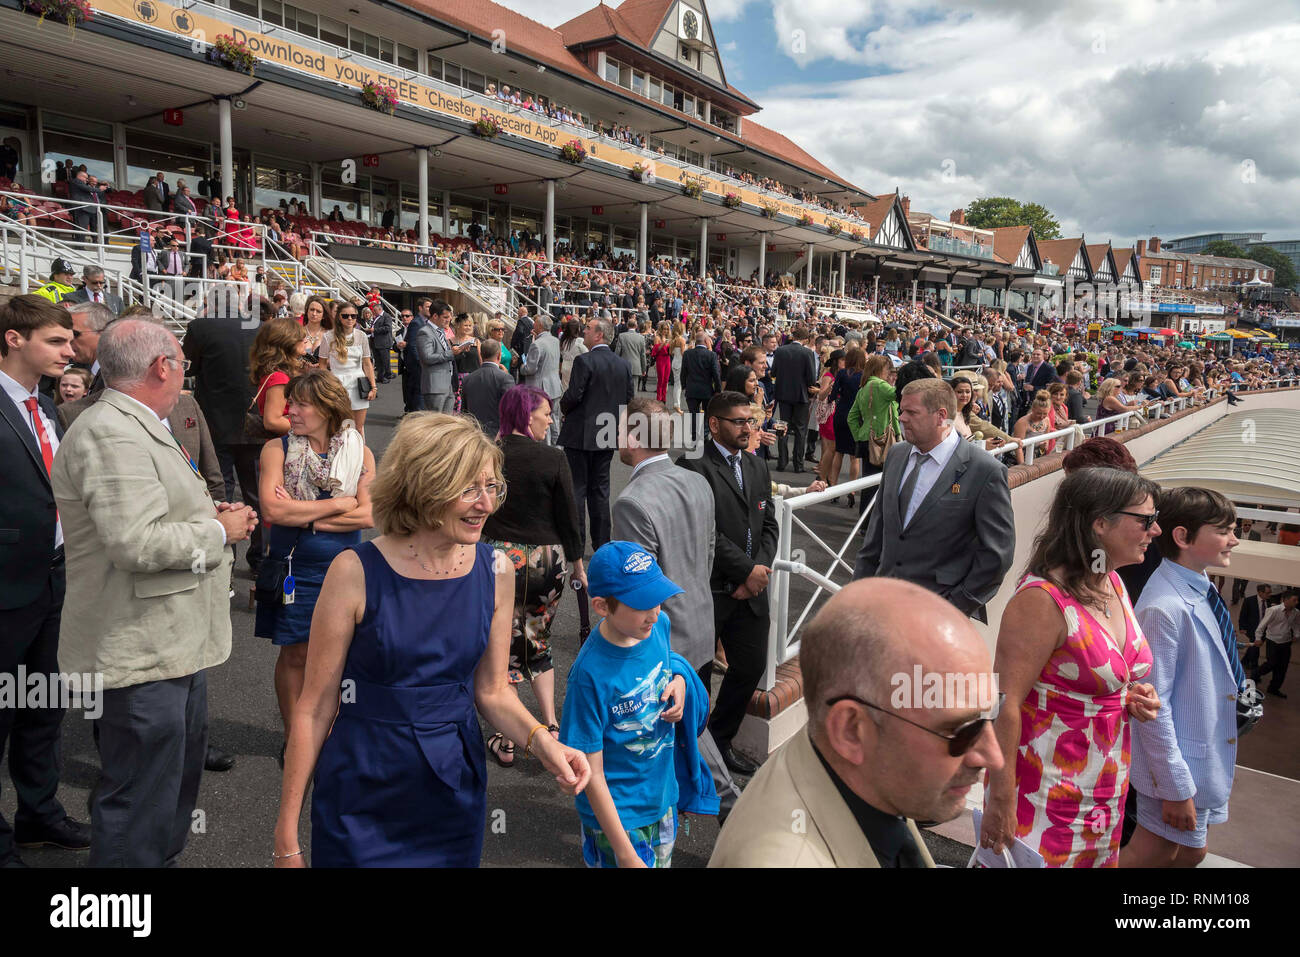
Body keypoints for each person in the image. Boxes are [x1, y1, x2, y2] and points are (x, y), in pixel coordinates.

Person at [273, 413, 590, 867]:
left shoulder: (497, 571)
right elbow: (315, 706)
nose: (485, 504)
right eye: (468, 489)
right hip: (362, 782)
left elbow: (493, 690)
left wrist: (544, 742)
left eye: (492, 487)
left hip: (451, 786)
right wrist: (287, 834)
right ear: (424, 487)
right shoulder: (354, 571)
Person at [52, 319, 258, 866]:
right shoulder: (112, 431)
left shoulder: (141, 422)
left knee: (167, 792)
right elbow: (135, 543)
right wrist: (219, 532)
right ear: (161, 366)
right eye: (182, 364)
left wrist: (206, 513)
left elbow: (147, 515)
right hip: (141, 650)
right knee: (139, 802)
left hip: (170, 644)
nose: (185, 373)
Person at [710, 578, 1003, 867]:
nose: (994, 757)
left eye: (991, 713)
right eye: (960, 731)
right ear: (851, 730)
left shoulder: (866, 777)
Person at [981, 467, 1161, 867]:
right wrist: (1001, 797)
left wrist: (1129, 694)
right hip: (1044, 795)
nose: (1156, 530)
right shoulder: (1042, 601)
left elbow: (1086, 676)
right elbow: (1001, 702)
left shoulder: (1113, 581)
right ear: (1100, 522)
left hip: (1104, 794)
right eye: (1146, 520)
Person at [613, 397, 742, 814]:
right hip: (701, 626)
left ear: (635, 436)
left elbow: (637, 589)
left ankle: (735, 815)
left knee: (687, 736)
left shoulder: (632, 501)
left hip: (666, 641)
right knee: (687, 731)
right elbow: (704, 558)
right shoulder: (696, 481)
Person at [0, 296, 89, 866]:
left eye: (71, 341)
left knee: (44, 709)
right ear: (14, 339)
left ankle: (39, 815)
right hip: (5, 591)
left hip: (56, 584)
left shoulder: (48, 408)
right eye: (57, 342)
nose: (71, 351)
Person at [560, 541, 709, 868]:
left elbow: (667, 664)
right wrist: (625, 853)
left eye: (658, 599)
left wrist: (680, 684)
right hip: (619, 818)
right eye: (642, 604)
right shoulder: (588, 676)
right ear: (601, 606)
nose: (655, 612)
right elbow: (591, 772)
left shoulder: (658, 628)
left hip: (662, 800)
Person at [1124, 487, 1249, 867]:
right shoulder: (1164, 608)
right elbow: (1153, 708)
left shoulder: (1199, 585)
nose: (1235, 539)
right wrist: (1175, 786)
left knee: (1188, 851)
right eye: (1224, 530)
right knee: (1155, 851)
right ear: (1182, 536)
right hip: (1178, 766)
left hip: (1197, 759)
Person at [255, 369, 374, 754]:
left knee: (341, 655)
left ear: (327, 408)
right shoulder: (276, 449)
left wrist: (305, 514)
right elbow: (273, 510)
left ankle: (331, 730)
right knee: (296, 653)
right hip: (296, 568)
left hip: (346, 571)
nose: (291, 410)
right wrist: (340, 504)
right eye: (291, 402)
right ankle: (296, 738)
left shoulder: (360, 451)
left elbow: (367, 516)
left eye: (301, 403)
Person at [853, 378, 1014, 622]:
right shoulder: (897, 454)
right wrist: (857, 594)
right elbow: (877, 535)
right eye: (901, 410)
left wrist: (955, 605)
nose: (902, 417)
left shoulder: (984, 471)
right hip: (882, 604)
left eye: (911, 412)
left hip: (937, 615)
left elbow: (997, 554)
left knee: (918, 665)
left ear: (940, 416)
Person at [481, 386, 583, 765]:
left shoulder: (489, 456)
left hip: (497, 556)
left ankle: (506, 735)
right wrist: (577, 564)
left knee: (500, 644)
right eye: (545, 413)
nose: (550, 420)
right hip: (546, 559)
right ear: (527, 416)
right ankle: (551, 724)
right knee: (538, 638)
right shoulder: (553, 458)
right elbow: (569, 517)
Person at [678, 391, 778, 778]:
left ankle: (718, 742)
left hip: (751, 591)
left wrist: (759, 571)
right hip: (711, 591)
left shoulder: (755, 466)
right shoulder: (692, 467)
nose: (747, 428)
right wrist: (744, 573)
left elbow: (768, 524)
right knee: (697, 677)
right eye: (738, 421)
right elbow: (705, 532)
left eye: (750, 421)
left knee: (750, 667)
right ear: (714, 424)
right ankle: (690, 752)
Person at [558, 317, 633, 553]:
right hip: (607, 432)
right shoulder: (623, 365)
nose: (584, 332)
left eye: (588, 329)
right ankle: (601, 543)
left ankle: (576, 544)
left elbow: (573, 395)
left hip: (581, 432)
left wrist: (564, 408)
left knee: (578, 489)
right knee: (600, 490)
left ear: (599, 335)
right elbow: (628, 399)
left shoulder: (585, 361)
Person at [320, 303, 377, 434]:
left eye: (353, 316)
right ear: (339, 317)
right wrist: (326, 386)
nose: (350, 318)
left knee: (358, 427)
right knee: (339, 427)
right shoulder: (328, 337)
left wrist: (373, 387)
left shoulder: (361, 335)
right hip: (337, 385)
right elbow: (322, 364)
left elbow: (367, 363)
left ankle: (360, 454)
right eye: (345, 316)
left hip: (359, 384)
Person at [771, 325, 818, 472]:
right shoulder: (807, 353)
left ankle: (782, 462)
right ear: (806, 339)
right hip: (800, 395)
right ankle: (798, 464)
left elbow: (774, 371)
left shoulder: (780, 350)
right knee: (800, 430)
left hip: (783, 394)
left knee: (782, 427)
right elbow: (811, 377)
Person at [521, 314, 562, 445]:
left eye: (535, 323)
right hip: (555, 386)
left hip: (541, 388)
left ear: (539, 326)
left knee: (543, 420)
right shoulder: (555, 340)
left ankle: (547, 448)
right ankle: (557, 448)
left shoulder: (537, 345)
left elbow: (530, 369)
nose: (533, 324)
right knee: (554, 419)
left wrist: (522, 366)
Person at [459, 339, 513, 438]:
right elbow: (511, 409)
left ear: (481, 355)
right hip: (498, 435)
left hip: (473, 434)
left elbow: (464, 411)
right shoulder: (505, 378)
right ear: (499, 356)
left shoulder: (467, 379)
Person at [416, 298, 456, 413]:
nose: (449, 320)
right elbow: (427, 357)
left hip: (447, 385)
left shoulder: (441, 331)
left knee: (446, 423)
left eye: (449, 317)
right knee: (435, 424)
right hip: (435, 387)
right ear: (434, 316)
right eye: (445, 317)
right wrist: (452, 353)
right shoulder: (425, 332)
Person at [681, 332, 721, 442]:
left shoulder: (688, 354)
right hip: (706, 389)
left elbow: (683, 372)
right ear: (706, 341)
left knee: (693, 414)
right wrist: (718, 390)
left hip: (692, 388)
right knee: (708, 414)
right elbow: (715, 374)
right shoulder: (711, 355)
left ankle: (695, 436)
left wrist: (684, 385)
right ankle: (704, 434)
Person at [1239, 583, 1273, 673]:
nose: (1270, 595)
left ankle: (1244, 661)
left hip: (1264, 630)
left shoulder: (1270, 602)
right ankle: (1255, 666)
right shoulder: (1249, 601)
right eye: (1267, 593)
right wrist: (1242, 627)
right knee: (1256, 646)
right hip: (1252, 629)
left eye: (1270, 592)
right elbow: (1243, 615)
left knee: (1254, 646)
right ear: (1260, 592)